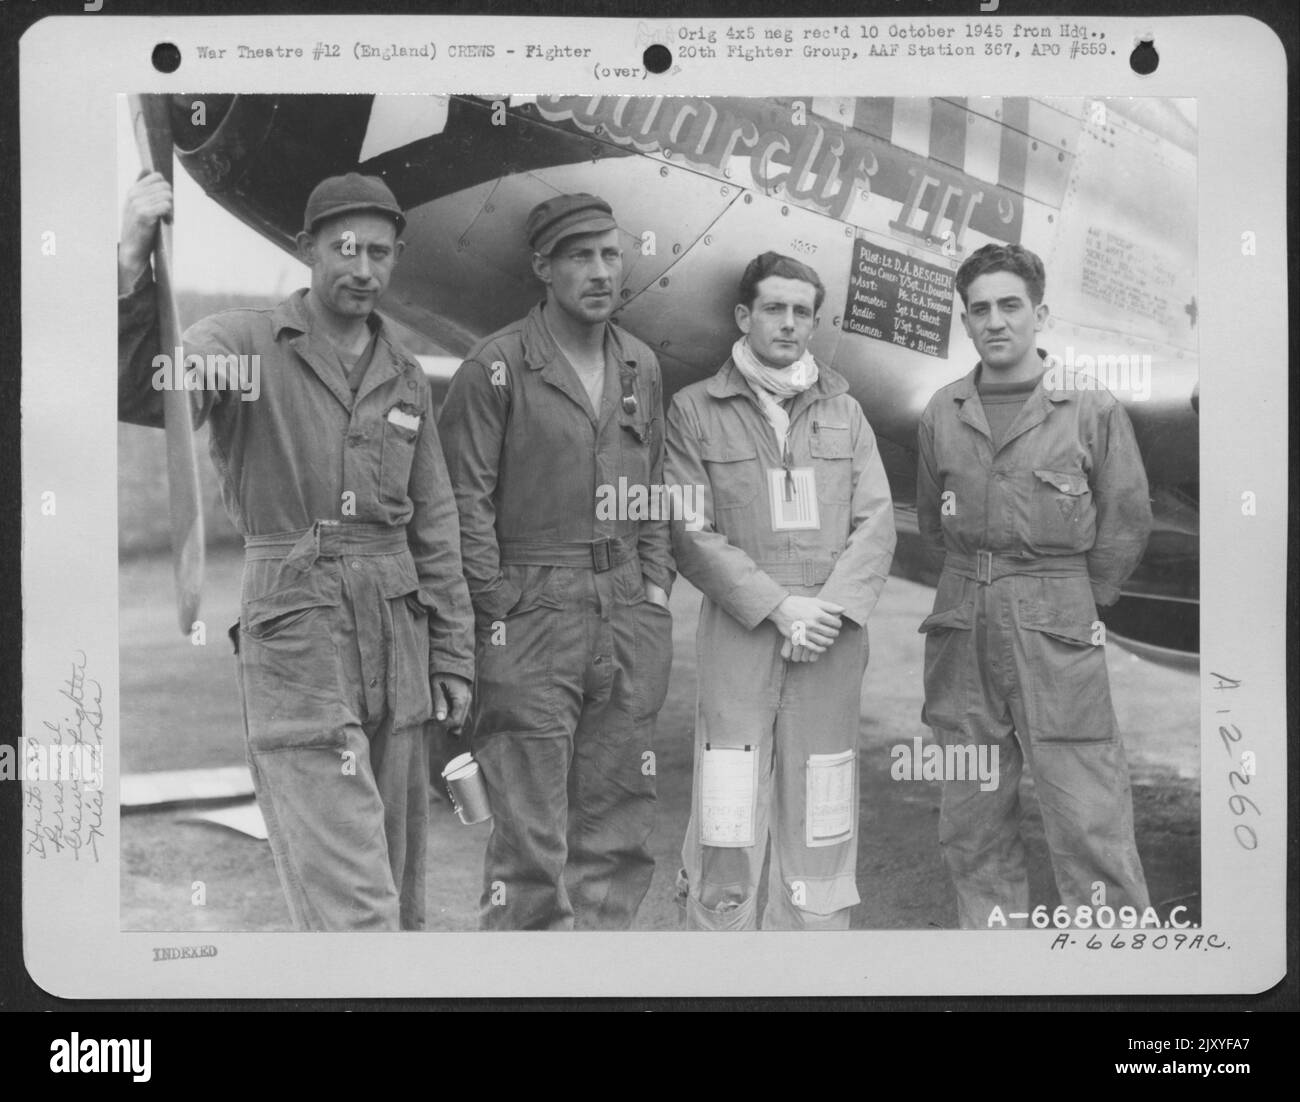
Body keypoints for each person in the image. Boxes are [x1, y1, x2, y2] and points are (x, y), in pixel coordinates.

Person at [118, 171, 475, 931]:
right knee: (354, 906)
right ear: (306, 247)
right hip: (298, 630)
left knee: (399, 896)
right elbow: (154, 395)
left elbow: (435, 524)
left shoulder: (406, 374)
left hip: (398, 632)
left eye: (380, 252)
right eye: (345, 248)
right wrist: (130, 264)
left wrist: (452, 654)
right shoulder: (242, 343)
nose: (363, 268)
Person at [437, 193, 674, 931]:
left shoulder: (640, 364)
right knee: (530, 844)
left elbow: (655, 484)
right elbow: (461, 505)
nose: (601, 271)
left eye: (610, 253)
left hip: (629, 605)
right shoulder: (496, 367)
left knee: (618, 833)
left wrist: (658, 587)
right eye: (580, 256)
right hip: (532, 615)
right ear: (543, 267)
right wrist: (496, 605)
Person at [916, 242, 1153, 930]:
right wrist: (977, 582)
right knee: (971, 811)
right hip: (963, 620)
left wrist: (1078, 602)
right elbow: (933, 521)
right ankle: (995, 962)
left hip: (1057, 618)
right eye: (980, 309)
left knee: (1086, 807)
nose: (995, 321)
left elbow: (1126, 517)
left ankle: (1111, 967)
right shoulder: (941, 410)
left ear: (1040, 313)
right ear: (965, 321)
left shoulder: (1089, 408)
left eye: (1010, 305)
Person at [665, 251, 896, 931]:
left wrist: (828, 612)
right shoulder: (695, 411)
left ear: (815, 322)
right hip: (743, 629)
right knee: (727, 811)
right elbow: (689, 530)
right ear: (744, 315)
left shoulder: (846, 414)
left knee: (822, 813)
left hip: (829, 635)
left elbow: (877, 521)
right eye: (774, 307)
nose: (788, 323)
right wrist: (778, 607)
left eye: (802, 311)